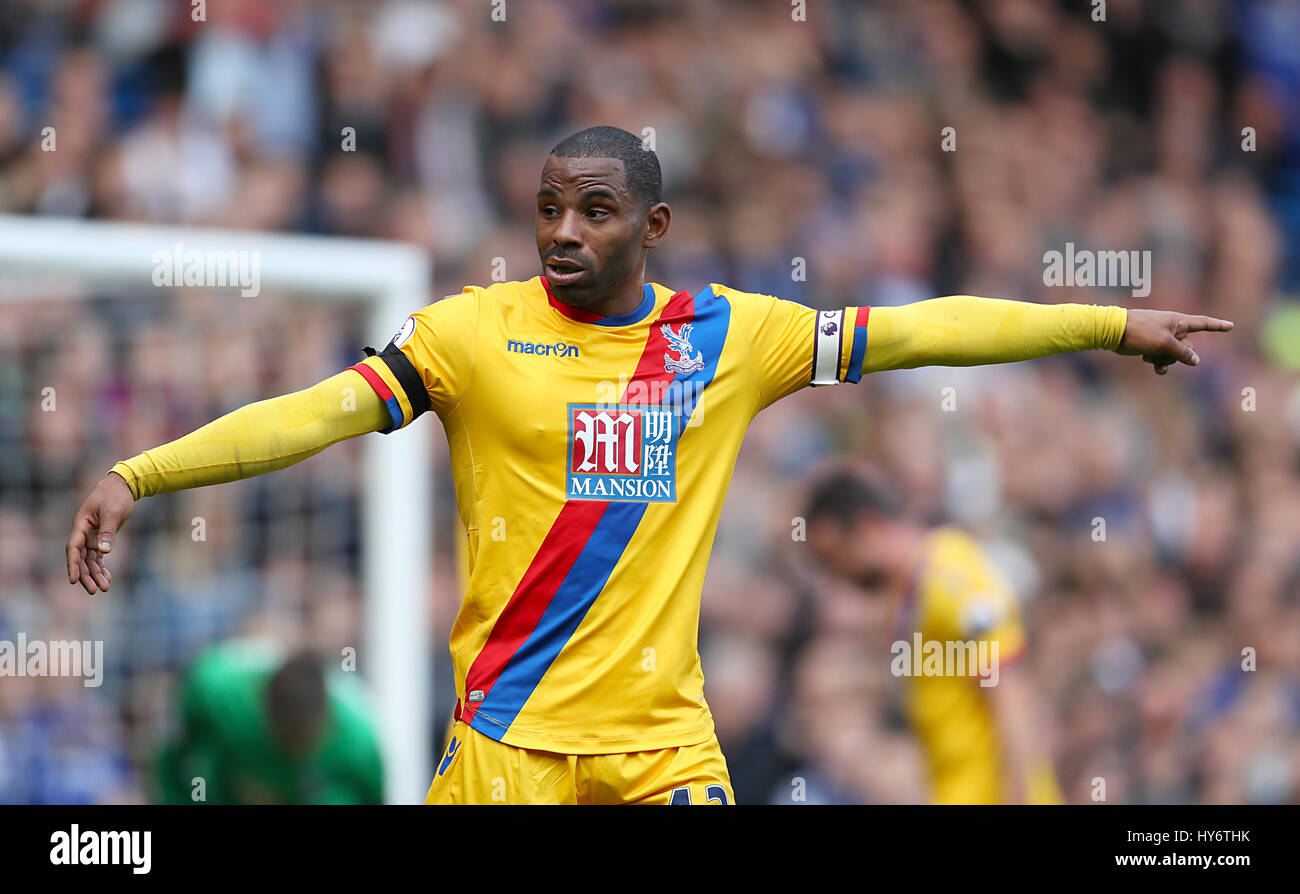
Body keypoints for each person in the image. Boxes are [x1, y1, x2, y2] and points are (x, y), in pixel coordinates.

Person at [66, 125, 1232, 804]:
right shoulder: (472, 332)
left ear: (652, 226)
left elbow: (918, 329)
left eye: (595, 211)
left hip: (662, 748)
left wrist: (1102, 324)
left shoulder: (733, 338)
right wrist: (141, 474)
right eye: (547, 210)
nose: (563, 232)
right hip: (505, 744)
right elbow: (314, 414)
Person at [804, 470, 1063, 804]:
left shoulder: (948, 577)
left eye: (832, 556)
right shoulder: (911, 594)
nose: (834, 574)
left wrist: (1021, 797)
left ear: (868, 528)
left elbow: (1010, 687)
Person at [156, 641, 384, 804]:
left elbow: (375, 796)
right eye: (288, 741)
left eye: (303, 742)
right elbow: (173, 758)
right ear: (264, 710)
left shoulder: (359, 743)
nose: (294, 753)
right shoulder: (215, 695)